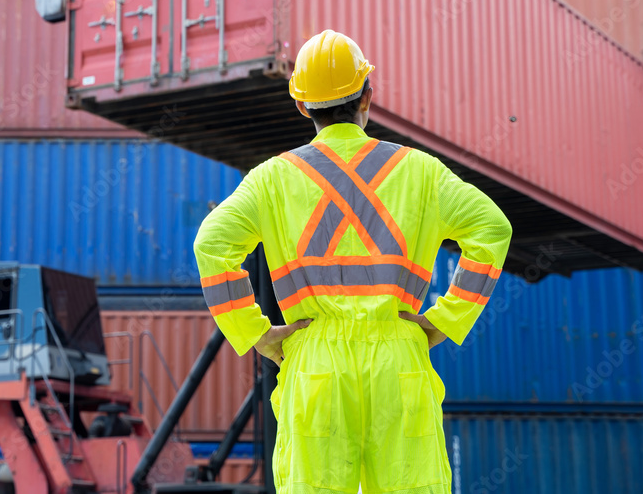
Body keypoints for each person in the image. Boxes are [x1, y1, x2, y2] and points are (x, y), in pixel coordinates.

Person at [193, 30, 512, 494]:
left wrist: (255, 332)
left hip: (315, 362)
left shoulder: (273, 179)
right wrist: (446, 319)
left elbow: (212, 245)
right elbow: (493, 229)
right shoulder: (420, 171)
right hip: (398, 361)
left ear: (302, 106)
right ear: (369, 94)